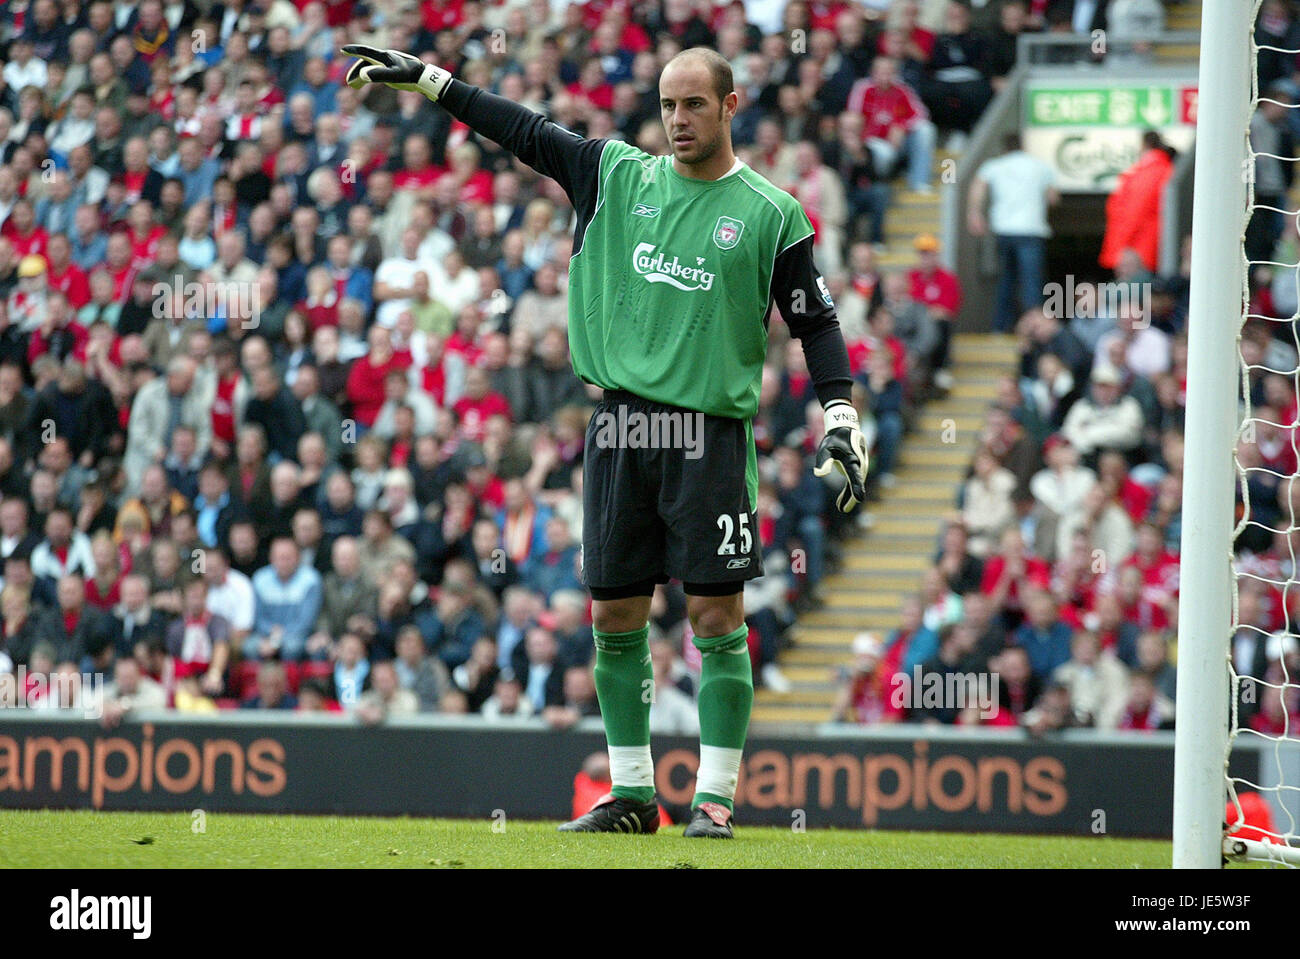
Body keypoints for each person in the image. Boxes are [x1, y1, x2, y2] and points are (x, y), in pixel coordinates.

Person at [343, 43, 867, 838]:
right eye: (667, 104)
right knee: (615, 616)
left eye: (694, 104)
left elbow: (817, 322)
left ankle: (716, 801)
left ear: (730, 107)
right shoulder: (617, 175)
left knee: (718, 618)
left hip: (709, 433)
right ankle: (633, 793)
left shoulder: (770, 211)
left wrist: (840, 414)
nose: (678, 119)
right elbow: (522, 130)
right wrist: (431, 80)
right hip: (621, 425)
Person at [967, 133, 1058, 333]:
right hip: (1031, 230)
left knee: (1006, 280)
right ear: (1023, 147)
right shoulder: (1040, 166)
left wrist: (975, 214)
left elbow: (977, 187)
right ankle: (1035, 330)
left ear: (1004, 148)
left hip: (1004, 230)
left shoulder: (995, 165)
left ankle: (999, 327)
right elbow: (1053, 197)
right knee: (1031, 282)